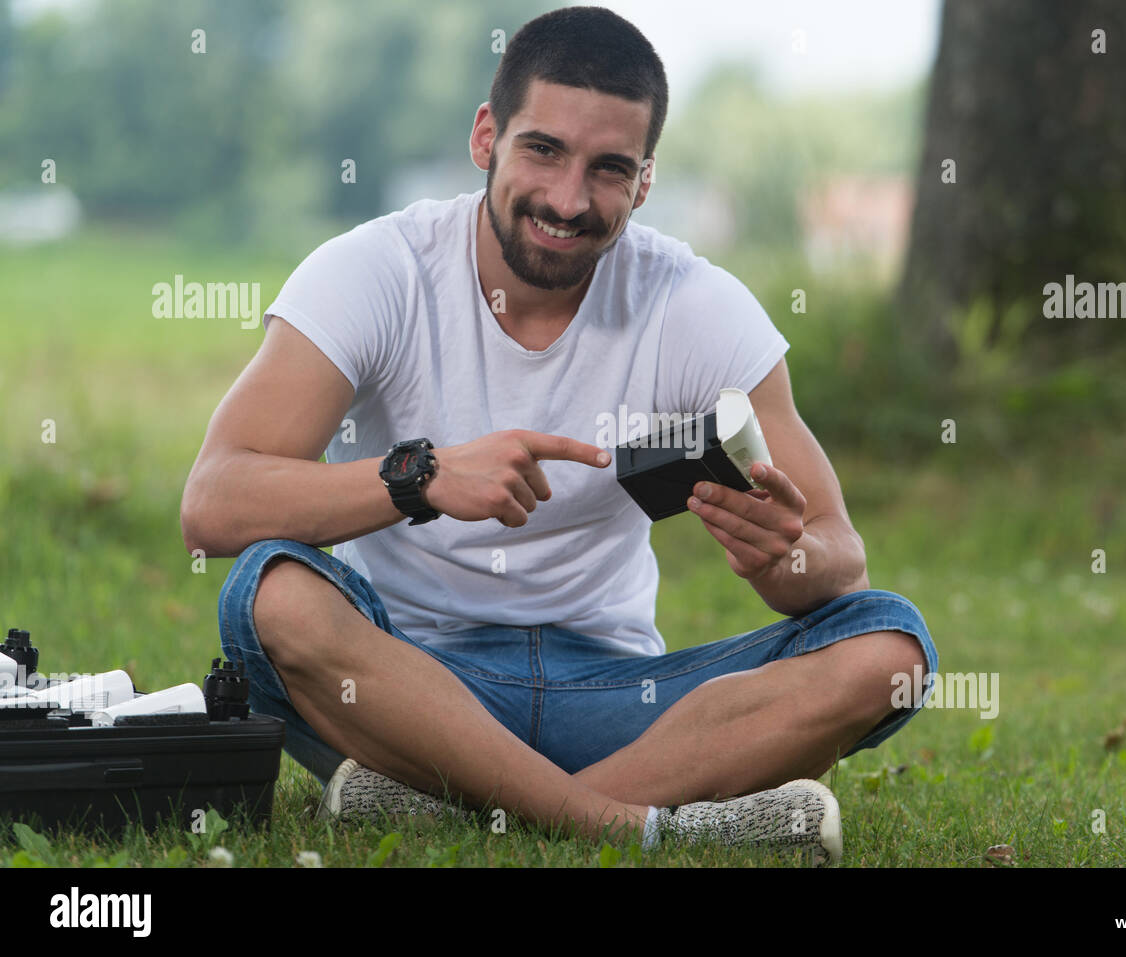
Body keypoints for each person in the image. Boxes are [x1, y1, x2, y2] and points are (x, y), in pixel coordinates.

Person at [181, 5, 937, 866]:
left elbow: (842, 558)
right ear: (485, 138)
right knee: (268, 593)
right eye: (543, 150)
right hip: (411, 683)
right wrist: (416, 477)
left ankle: (466, 805)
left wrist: (787, 557)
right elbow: (214, 500)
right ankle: (631, 823)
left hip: (623, 693)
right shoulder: (377, 270)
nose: (568, 199)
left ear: (644, 182)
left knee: (889, 643)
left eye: (609, 168)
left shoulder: (697, 305)